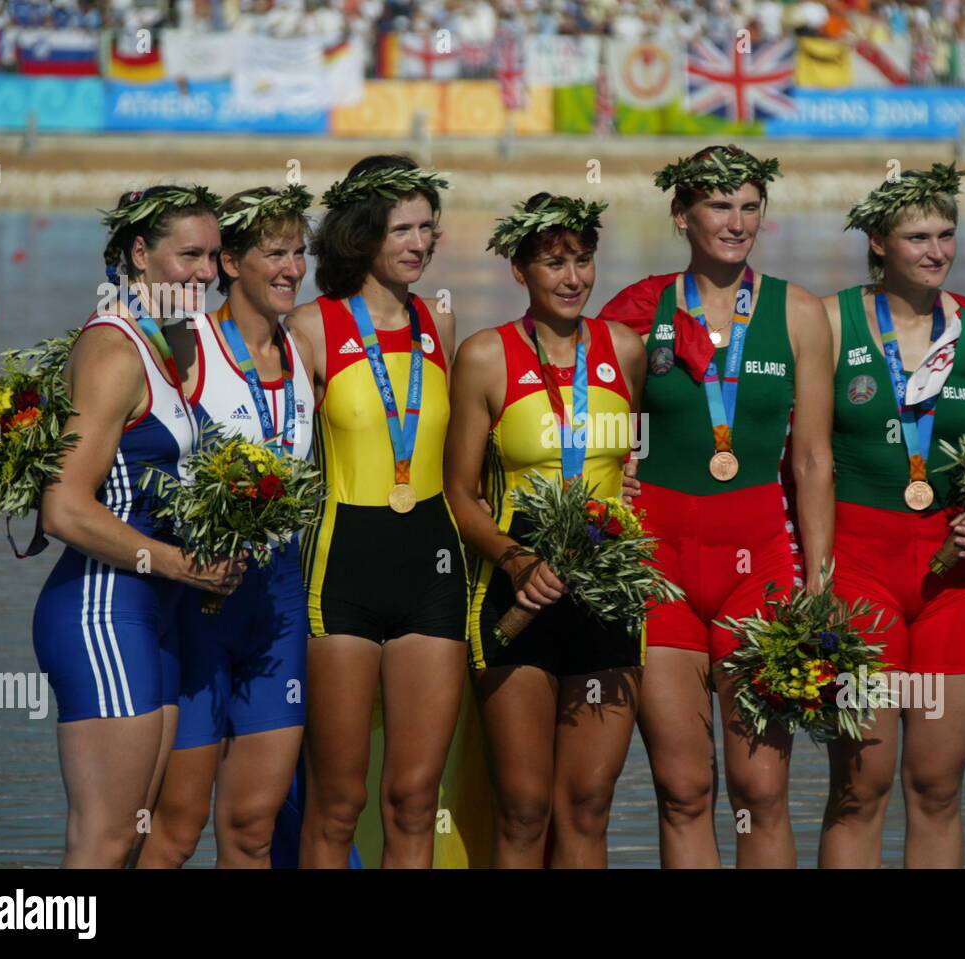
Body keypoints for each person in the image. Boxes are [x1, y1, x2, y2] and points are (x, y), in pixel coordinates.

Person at [597, 146, 835, 868]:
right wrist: (616, 476)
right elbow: (597, 424)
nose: (736, 222)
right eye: (719, 206)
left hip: (758, 562)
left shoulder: (798, 313)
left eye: (749, 206)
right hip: (659, 566)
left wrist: (819, 585)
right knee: (683, 785)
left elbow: (814, 458)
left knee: (761, 786)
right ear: (682, 214)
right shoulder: (640, 312)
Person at [819, 162, 965, 868]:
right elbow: (788, 454)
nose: (937, 250)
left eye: (946, 233)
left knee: (937, 787)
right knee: (861, 788)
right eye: (918, 236)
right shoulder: (826, 322)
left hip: (954, 580)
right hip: (857, 573)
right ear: (878, 241)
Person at [33, 185, 245, 868]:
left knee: (132, 842)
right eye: (189, 255)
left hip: (153, 612)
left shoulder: (166, 345)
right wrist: (179, 563)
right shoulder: (114, 350)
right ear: (139, 253)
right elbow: (62, 506)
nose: (206, 274)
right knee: (105, 840)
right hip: (103, 608)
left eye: (214, 256)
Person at [445, 193, 647, 868]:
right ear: (518, 269)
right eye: (553, 263)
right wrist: (515, 560)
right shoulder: (484, 355)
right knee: (525, 808)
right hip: (518, 597)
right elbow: (459, 493)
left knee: (588, 805)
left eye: (583, 260)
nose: (572, 278)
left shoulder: (625, 348)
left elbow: (630, 468)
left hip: (607, 599)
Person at [285, 156, 469, 869]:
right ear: (362, 236)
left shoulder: (440, 319)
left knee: (416, 798)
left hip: (433, 570)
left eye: (427, 227)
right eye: (402, 229)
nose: (419, 243)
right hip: (341, 573)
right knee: (337, 803)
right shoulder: (310, 327)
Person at [138, 185, 316, 868]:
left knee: (251, 828)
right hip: (196, 600)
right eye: (275, 252)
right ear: (232, 262)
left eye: (299, 252)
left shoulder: (302, 344)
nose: (293, 268)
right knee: (175, 830)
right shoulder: (185, 342)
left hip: (277, 603)